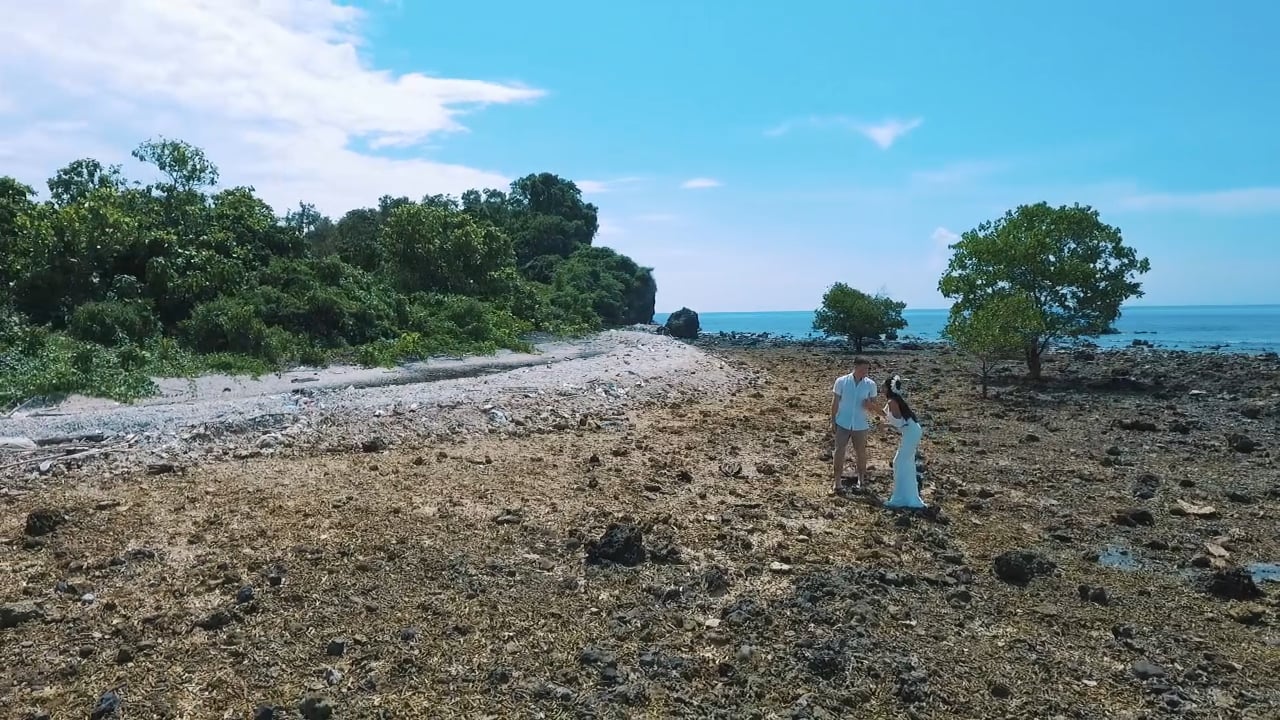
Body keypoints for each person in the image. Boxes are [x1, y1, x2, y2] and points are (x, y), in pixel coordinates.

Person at [830, 357, 878, 494]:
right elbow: (835, 403)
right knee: (839, 451)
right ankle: (837, 482)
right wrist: (832, 421)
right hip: (843, 422)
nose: (865, 372)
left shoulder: (871, 384)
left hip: (861, 424)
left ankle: (861, 480)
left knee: (861, 453)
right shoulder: (841, 381)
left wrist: (870, 405)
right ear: (855, 367)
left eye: (867, 369)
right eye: (863, 369)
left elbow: (874, 406)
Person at [882, 374, 927, 509]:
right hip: (911, 431)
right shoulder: (894, 400)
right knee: (905, 463)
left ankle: (902, 498)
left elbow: (898, 421)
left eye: (883, 386)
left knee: (900, 462)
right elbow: (894, 418)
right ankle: (906, 496)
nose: (881, 387)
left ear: (888, 388)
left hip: (911, 432)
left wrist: (884, 424)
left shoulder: (892, 401)